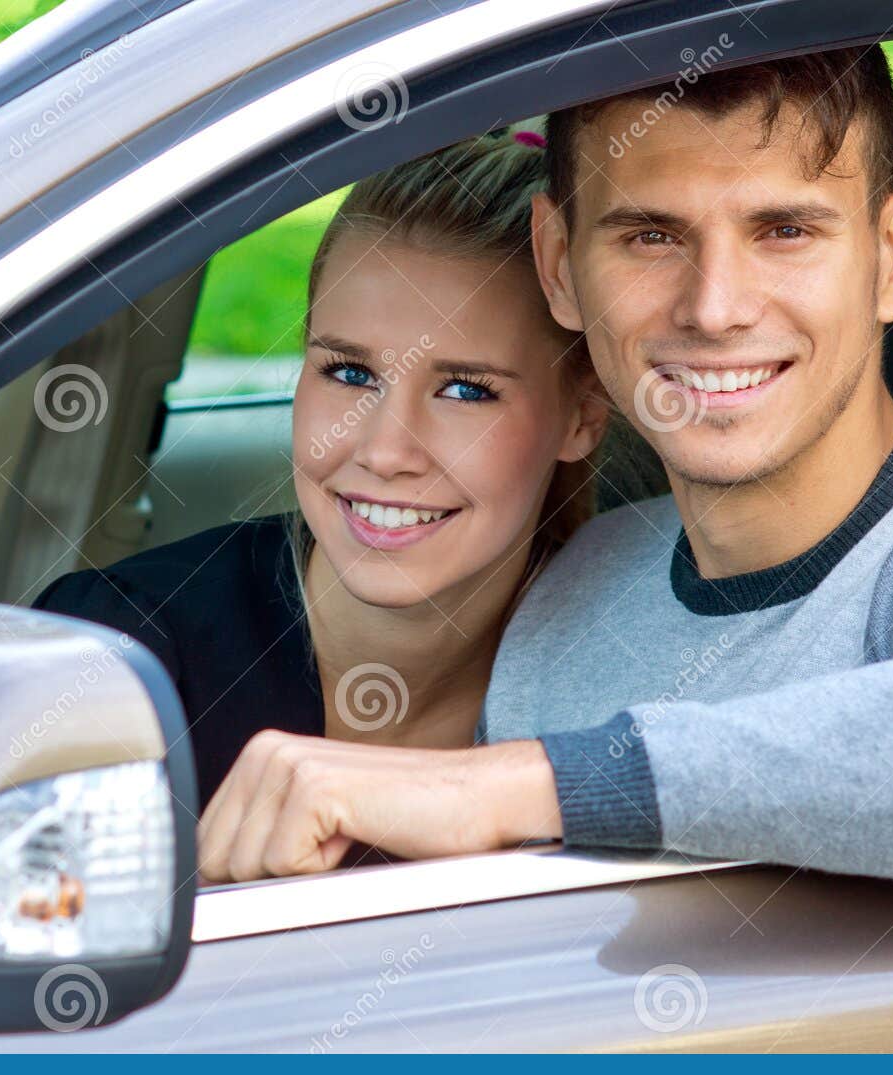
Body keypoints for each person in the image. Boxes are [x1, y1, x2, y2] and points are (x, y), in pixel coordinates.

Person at [193, 47, 893, 885]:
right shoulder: (587, 574)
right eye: (651, 235)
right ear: (560, 266)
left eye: (784, 230)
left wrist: (519, 787)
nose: (714, 306)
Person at [35, 127, 608, 819]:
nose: (384, 450)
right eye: (349, 372)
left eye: (465, 390)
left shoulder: (627, 663)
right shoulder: (117, 653)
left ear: (582, 416)